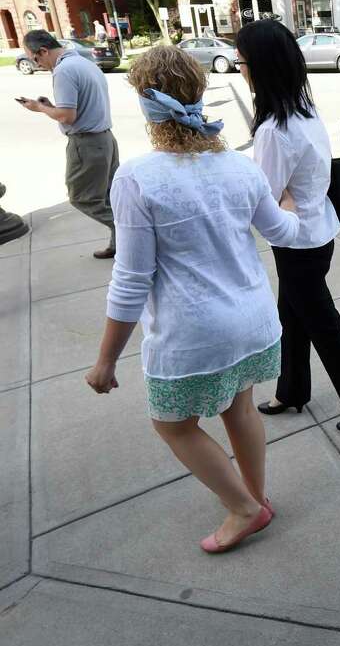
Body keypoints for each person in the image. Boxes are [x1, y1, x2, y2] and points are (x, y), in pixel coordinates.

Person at [83, 45, 300, 553]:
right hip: (253, 320)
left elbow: (132, 278)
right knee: (239, 406)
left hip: (195, 333)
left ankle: (245, 508)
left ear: (145, 103)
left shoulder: (138, 177)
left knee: (173, 424)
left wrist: (105, 361)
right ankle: (256, 497)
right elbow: (283, 230)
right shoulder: (241, 167)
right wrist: (292, 203)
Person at [237, 19, 340, 434]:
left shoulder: (274, 129)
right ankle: (292, 391)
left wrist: (275, 197)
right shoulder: (304, 113)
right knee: (293, 315)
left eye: (242, 61)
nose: (240, 69)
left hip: (297, 242)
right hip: (316, 232)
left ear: (262, 67)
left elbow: (263, 199)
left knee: (325, 328)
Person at [18, 29, 121, 259]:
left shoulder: (63, 71)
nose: (38, 64)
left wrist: (40, 108)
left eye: (35, 58)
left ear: (43, 51)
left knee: (81, 197)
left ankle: (128, 232)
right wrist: (51, 106)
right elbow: (79, 108)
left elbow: (67, 116)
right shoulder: (85, 63)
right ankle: (120, 242)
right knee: (107, 196)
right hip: (105, 139)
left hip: (86, 144)